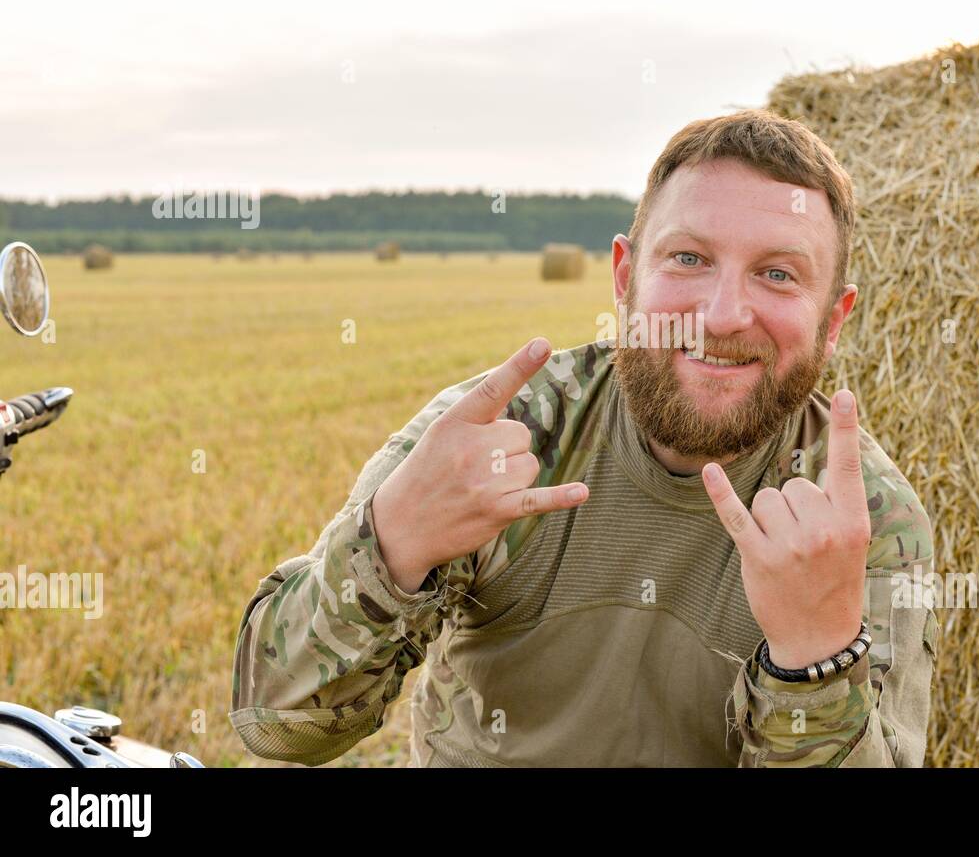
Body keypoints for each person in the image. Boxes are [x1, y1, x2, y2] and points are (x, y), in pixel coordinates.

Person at [229, 109, 937, 767]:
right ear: (625, 277)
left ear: (833, 320)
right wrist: (392, 547)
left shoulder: (862, 522)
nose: (722, 315)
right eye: (688, 259)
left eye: (777, 274)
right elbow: (278, 723)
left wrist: (813, 661)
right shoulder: (503, 433)